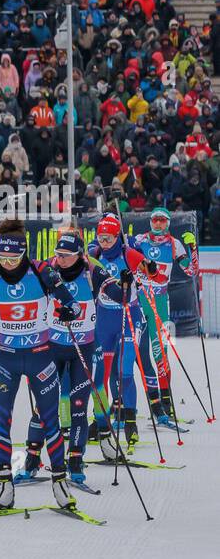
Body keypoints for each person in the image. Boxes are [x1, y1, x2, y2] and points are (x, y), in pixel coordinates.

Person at [0, 218, 79, 510]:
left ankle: (59, 482)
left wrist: (68, 310)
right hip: (5, 358)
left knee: (51, 421)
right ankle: (5, 485)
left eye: (13, 258)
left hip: (40, 357)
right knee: (1, 420)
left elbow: (69, 300)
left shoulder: (42, 271)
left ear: (24, 253)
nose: (7, 263)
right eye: (2, 257)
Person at [11, 230, 119, 486]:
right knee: (42, 407)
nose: (60, 259)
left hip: (82, 349)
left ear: (79, 255)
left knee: (79, 407)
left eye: (66, 256)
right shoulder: (49, 267)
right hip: (52, 348)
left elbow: (117, 295)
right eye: (58, 254)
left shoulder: (92, 271)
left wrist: (125, 285)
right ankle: (32, 460)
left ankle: (75, 461)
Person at [128, 208, 196, 428]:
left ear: (167, 222)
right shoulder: (139, 240)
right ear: (150, 222)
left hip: (160, 304)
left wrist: (193, 248)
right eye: (155, 220)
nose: (158, 224)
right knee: (134, 353)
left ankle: (167, 405)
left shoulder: (174, 244)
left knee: (162, 354)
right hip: (139, 303)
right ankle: (125, 406)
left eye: (162, 220)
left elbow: (191, 271)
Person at [87, 214, 145, 452]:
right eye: (101, 237)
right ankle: (100, 420)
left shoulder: (129, 253)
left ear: (117, 236)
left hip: (128, 315)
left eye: (109, 238)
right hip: (104, 320)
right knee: (100, 376)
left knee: (124, 370)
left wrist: (141, 276)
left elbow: (153, 274)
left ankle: (130, 419)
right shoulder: (95, 255)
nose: (105, 242)